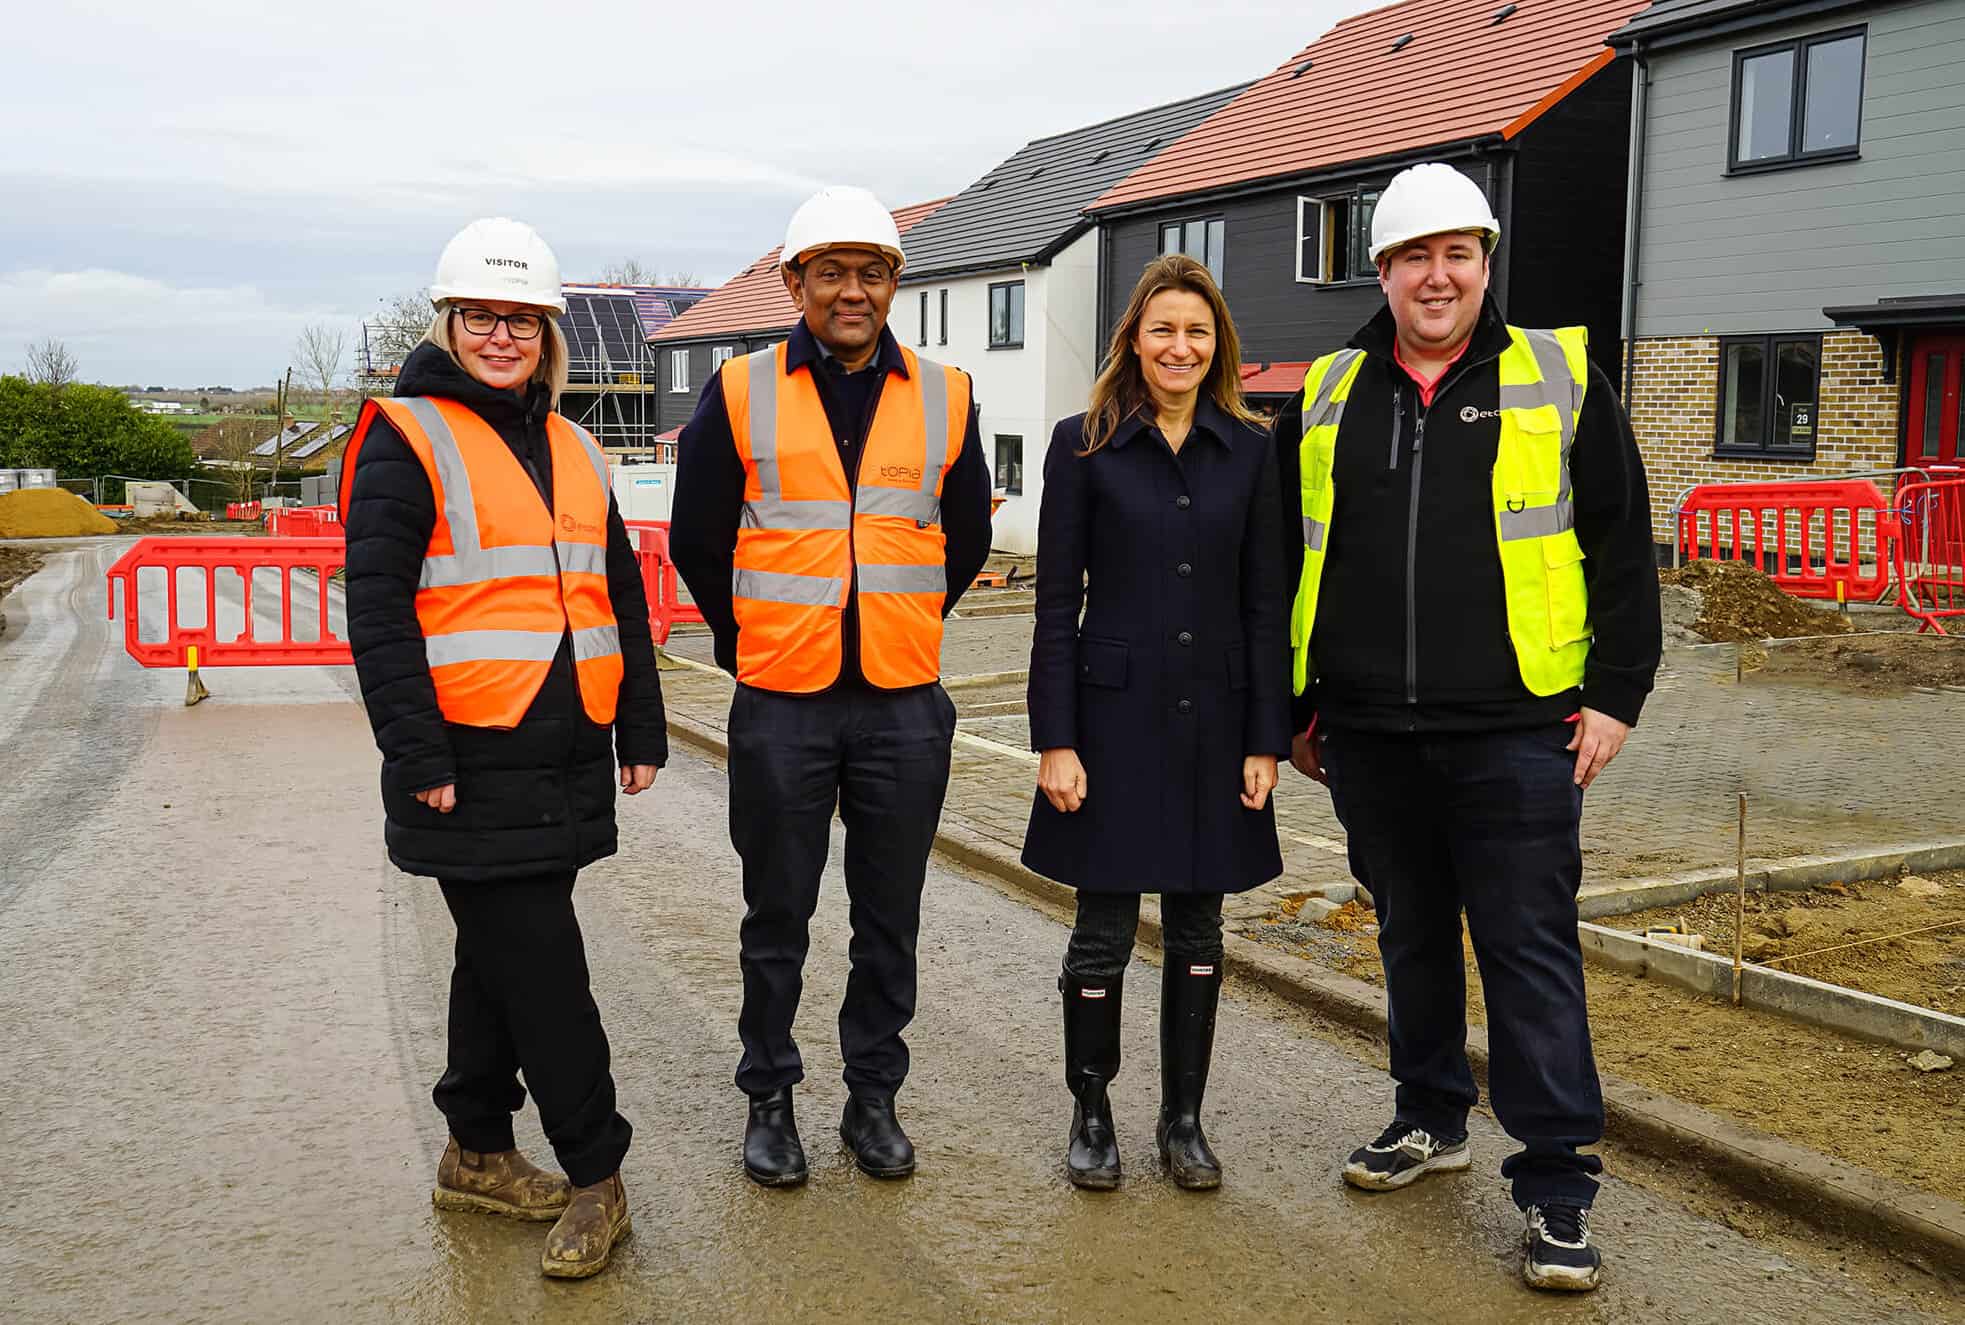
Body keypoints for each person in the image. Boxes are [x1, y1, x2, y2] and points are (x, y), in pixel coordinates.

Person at [1277, 164, 1662, 1291]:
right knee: (1408, 935)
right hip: (1366, 732)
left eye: (1458, 253)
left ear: (1485, 264)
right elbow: (1290, 551)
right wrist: (1297, 707)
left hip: (1518, 732)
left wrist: (1616, 694)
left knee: (1526, 949)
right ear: (1382, 271)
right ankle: (1429, 1113)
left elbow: (1623, 544)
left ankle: (1556, 1185)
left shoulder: (1559, 376)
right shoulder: (1329, 391)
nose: (1437, 276)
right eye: (1415, 256)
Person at [341, 217, 666, 1281]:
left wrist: (643, 721)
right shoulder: (405, 435)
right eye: (481, 316)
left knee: (496, 957)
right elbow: (379, 610)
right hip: (468, 753)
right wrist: (417, 753)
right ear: (449, 321)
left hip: (567, 746)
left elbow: (616, 592)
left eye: (522, 320)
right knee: (543, 967)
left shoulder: (573, 444)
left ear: (547, 334)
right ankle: (598, 1169)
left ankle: (476, 1148)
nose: (501, 336)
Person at [668, 186, 992, 1187]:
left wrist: (903, 622)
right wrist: (751, 640)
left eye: (872, 273)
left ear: (894, 283)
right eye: (832, 273)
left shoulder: (946, 394)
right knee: (777, 915)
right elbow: (696, 538)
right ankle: (769, 1095)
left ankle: (871, 1096)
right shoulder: (739, 391)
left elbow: (967, 537)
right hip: (783, 700)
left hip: (902, 701)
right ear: (795, 282)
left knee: (888, 916)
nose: (853, 291)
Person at [1023, 254, 1290, 1192]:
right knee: (1101, 931)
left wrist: (1265, 738)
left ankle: (1183, 1120)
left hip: (1217, 724)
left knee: (1198, 930)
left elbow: (1267, 603)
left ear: (1219, 344)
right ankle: (1091, 1111)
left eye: (1197, 331)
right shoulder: (1082, 445)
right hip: (1109, 725)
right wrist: (1055, 739)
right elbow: (1055, 603)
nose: (1180, 347)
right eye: (1163, 329)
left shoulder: (1253, 447)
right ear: (1133, 340)